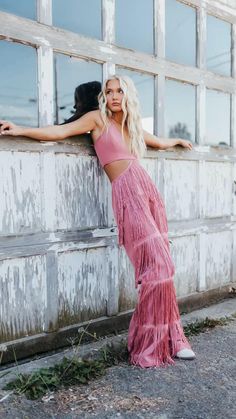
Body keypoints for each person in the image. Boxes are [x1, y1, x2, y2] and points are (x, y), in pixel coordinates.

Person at [0, 74, 195, 368]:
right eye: (109, 91)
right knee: (156, 269)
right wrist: (20, 129)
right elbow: (58, 132)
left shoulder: (132, 126)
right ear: (103, 97)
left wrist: (179, 139)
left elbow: (158, 142)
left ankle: (175, 338)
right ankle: (152, 341)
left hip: (148, 192)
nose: (114, 96)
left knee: (165, 265)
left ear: (128, 95)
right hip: (128, 196)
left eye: (119, 91)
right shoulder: (97, 119)